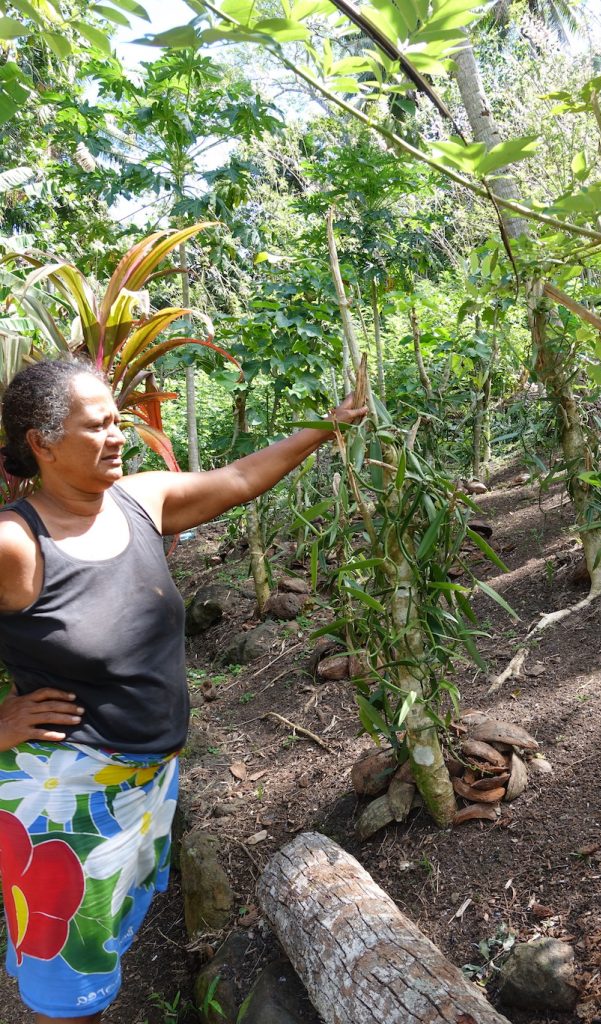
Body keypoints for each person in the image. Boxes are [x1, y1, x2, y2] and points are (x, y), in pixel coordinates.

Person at [0, 358, 366, 1023]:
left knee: (108, 948)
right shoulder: (16, 544)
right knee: (71, 981)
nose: (117, 437)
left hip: (145, 784)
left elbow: (236, 477)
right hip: (67, 802)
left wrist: (326, 426)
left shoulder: (141, 500)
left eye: (118, 422)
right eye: (97, 426)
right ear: (42, 444)